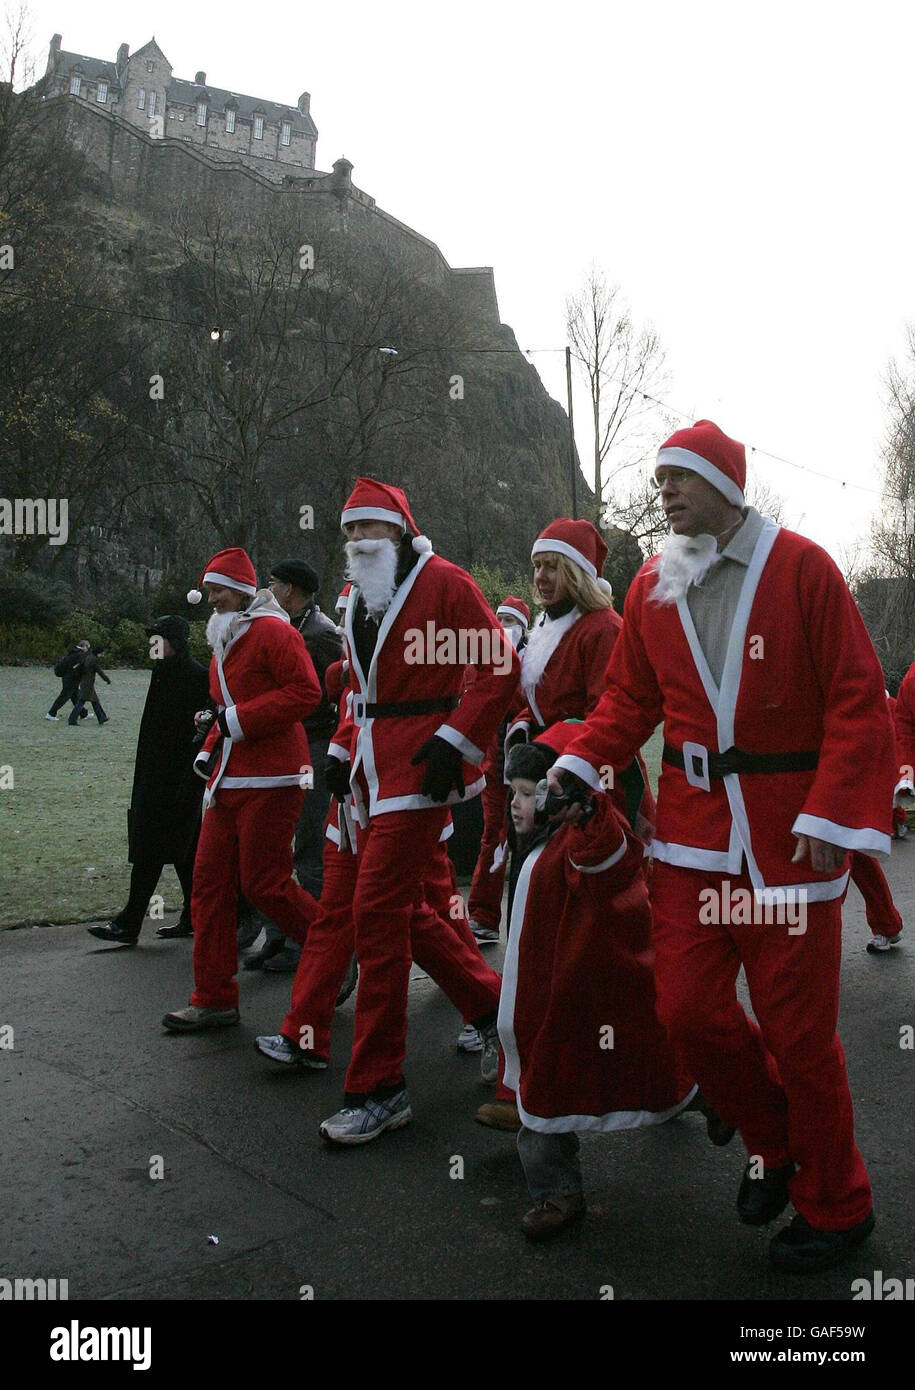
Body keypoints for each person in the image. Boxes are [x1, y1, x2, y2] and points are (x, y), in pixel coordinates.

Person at [546, 418, 895, 1274]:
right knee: (686, 1010)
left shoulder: (804, 567)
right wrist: (580, 763)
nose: (663, 490)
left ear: (726, 487)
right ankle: (774, 1141)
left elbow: (857, 698)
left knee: (800, 1037)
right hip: (695, 840)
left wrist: (829, 818)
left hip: (790, 843)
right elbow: (629, 700)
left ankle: (837, 1204)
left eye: (680, 478)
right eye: (659, 478)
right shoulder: (649, 588)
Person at [315, 477, 520, 1145]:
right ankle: (491, 1005)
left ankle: (378, 1086)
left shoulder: (446, 583)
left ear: (399, 531)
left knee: (374, 912)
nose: (357, 541)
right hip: (374, 772)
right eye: (349, 531)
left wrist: (452, 741)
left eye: (367, 529)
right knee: (401, 910)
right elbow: (357, 691)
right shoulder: (356, 600)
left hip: (419, 772)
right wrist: (344, 749)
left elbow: (498, 666)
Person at [479, 522, 654, 1133]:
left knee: (590, 947)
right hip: (541, 788)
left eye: (554, 567)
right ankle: (525, 1082)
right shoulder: (547, 630)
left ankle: (668, 1072)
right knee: (535, 933)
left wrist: (548, 745)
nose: (542, 578)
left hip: (591, 792)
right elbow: (534, 704)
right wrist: (521, 735)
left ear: (579, 573)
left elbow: (614, 715)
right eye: (537, 568)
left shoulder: (605, 630)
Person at [499, 724, 695, 1240]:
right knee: (544, 1088)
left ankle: (703, 1093)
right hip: (550, 1001)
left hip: (594, 987)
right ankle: (555, 1189)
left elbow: (612, 861)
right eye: (512, 793)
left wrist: (587, 813)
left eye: (527, 793)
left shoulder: (577, 839)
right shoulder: (527, 847)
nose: (517, 805)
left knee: (649, 1055)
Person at [161, 547, 322, 1032]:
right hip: (228, 780)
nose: (209, 598)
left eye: (217, 590)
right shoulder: (227, 635)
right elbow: (228, 705)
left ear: (242, 591)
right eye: (208, 590)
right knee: (209, 887)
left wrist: (235, 720)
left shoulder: (274, 632)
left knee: (264, 883)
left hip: (273, 778)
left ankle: (331, 950)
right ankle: (213, 997)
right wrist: (212, 736)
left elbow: (306, 693)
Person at [243, 559, 343, 973]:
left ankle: (312, 944)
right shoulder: (285, 627)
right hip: (289, 743)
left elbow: (324, 694)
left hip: (313, 747)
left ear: (290, 590)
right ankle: (278, 934)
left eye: (274, 582)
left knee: (307, 846)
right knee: (273, 847)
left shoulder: (320, 635)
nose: (267, 587)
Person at [87, 617, 211, 946]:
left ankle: (130, 922)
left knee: (152, 850)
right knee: (182, 851)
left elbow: (200, 730)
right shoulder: (165, 672)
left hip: (177, 779)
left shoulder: (195, 676)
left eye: (158, 639)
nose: (152, 646)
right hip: (156, 776)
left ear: (175, 642)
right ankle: (192, 917)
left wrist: (188, 779)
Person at [465, 597, 530, 952]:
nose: (504, 623)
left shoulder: (533, 659)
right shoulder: (480, 660)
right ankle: (484, 915)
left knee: (525, 840)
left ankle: (524, 918)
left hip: (522, 763)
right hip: (493, 764)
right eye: (500, 617)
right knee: (493, 836)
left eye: (511, 619)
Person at [67, 646, 111, 725]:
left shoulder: (89, 657)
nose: (103, 655)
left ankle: (102, 717)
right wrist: (107, 679)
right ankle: (72, 719)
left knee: (95, 701)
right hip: (88, 684)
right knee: (81, 702)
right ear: (98, 653)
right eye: (102, 653)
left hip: (85, 683)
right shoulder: (94, 660)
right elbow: (100, 671)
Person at [47, 641, 89, 719]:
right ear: (84, 646)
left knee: (75, 697)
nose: (87, 650)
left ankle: (83, 713)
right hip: (72, 679)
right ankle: (51, 713)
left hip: (67, 677)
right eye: (87, 647)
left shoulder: (72, 652)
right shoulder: (80, 654)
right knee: (64, 697)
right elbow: (79, 667)